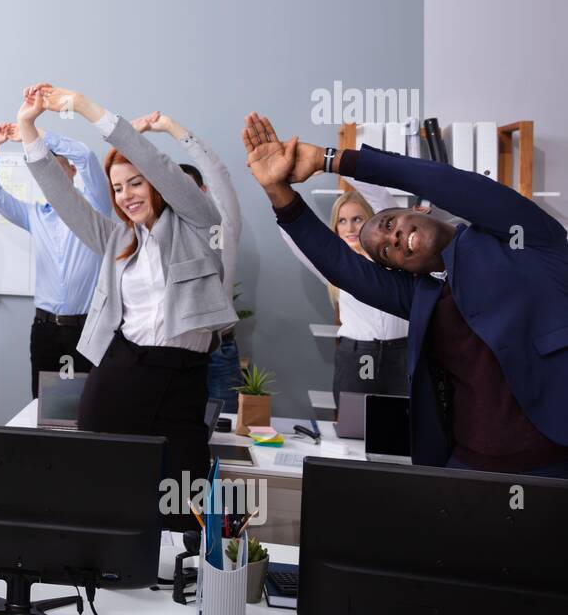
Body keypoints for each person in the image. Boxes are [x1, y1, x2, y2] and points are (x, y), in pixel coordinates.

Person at [241, 112, 568, 476]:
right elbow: (342, 267)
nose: (391, 238)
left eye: (387, 224)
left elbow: (449, 183)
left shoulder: (527, 238)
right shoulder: (422, 298)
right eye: (384, 251)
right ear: (399, 268)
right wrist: (278, 191)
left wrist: (330, 160)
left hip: (555, 459)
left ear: (418, 210)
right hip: (468, 471)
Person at [17, 85, 238, 529]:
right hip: (121, 371)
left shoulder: (197, 222)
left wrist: (82, 107)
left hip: (182, 379)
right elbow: (64, 199)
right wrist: (27, 128)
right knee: (104, 495)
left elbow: (162, 164)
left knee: (182, 503)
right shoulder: (118, 238)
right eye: (118, 188)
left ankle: (179, 586)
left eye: (136, 183)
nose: (126, 195)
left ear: (157, 183)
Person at [0, 121, 108, 398]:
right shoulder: (34, 215)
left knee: (88, 408)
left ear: (72, 171)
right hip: (45, 331)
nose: (50, 177)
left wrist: (35, 135)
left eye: (56, 168)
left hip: (86, 329)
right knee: (43, 408)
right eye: (45, 171)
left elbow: (86, 156)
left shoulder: (95, 207)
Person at [140, 115, 242, 404]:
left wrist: (173, 129)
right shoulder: (155, 235)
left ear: (204, 192)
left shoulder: (220, 228)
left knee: (223, 432)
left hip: (218, 349)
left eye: (189, 190)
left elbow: (217, 172)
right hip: (171, 350)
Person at [279, 184, 410, 407]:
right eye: (342, 221)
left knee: (403, 434)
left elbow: (382, 199)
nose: (349, 228)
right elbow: (297, 238)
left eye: (357, 219)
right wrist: (280, 188)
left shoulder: (398, 260)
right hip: (358, 355)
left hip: (403, 354)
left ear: (371, 220)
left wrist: (336, 163)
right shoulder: (336, 268)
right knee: (355, 429)